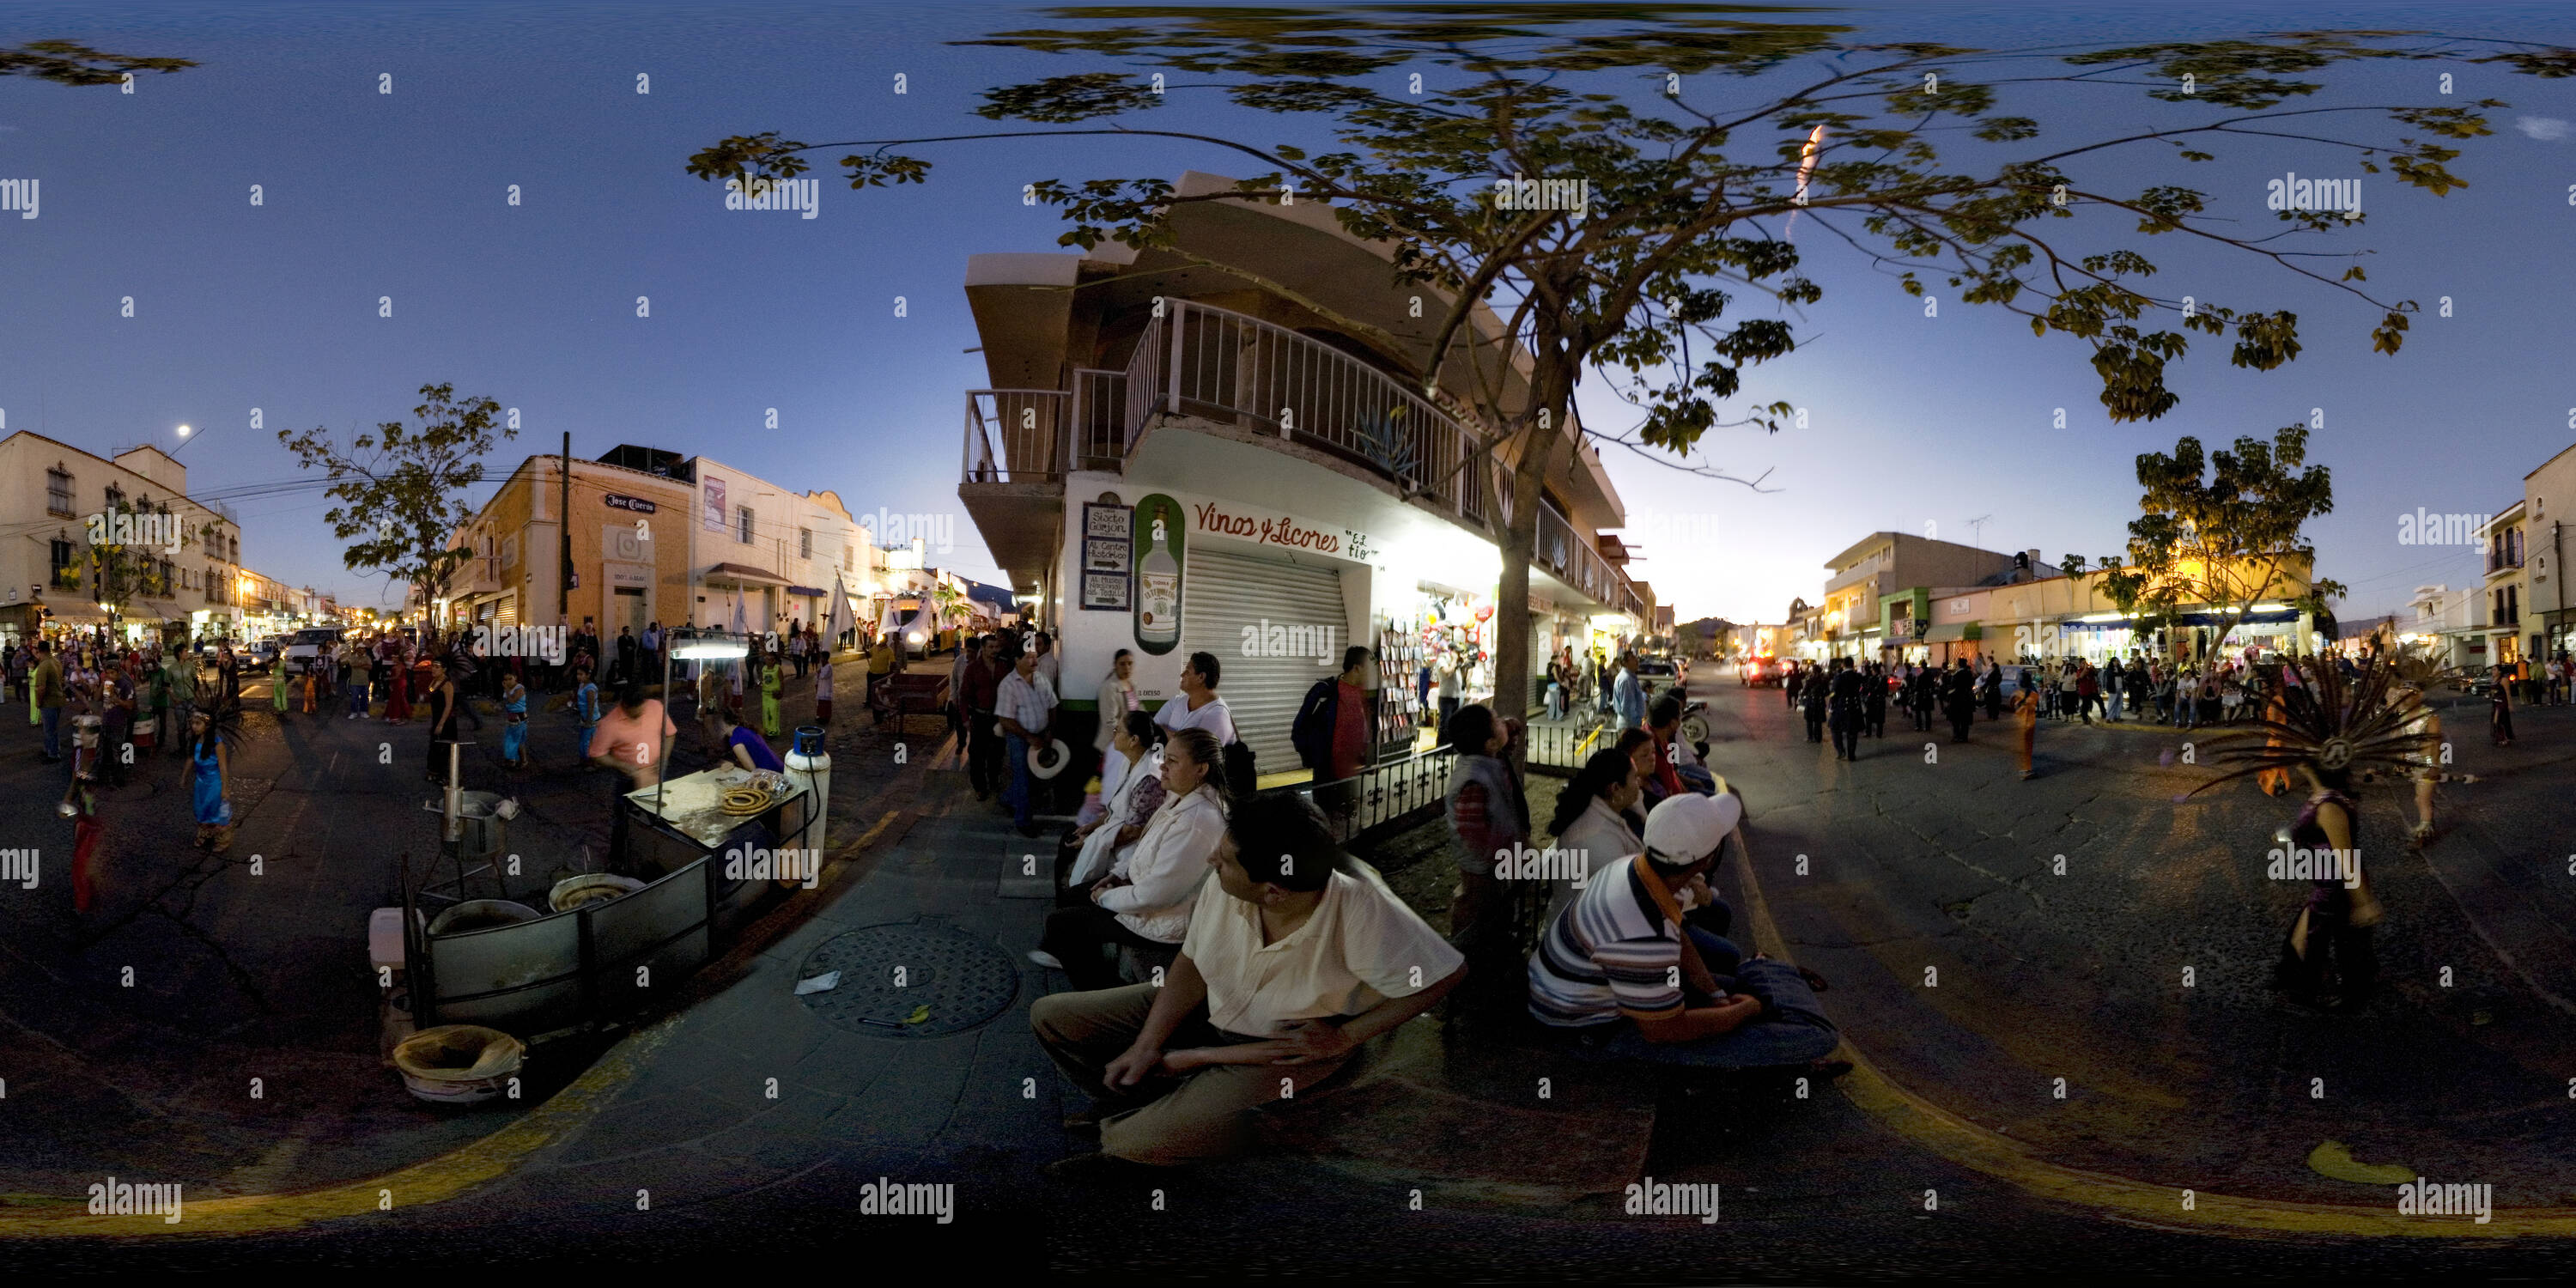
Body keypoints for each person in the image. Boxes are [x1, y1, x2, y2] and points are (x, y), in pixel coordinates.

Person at [1030, 792, 1466, 1171]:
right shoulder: (1231, 882)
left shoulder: (1361, 910)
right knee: (1051, 1017)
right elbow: (1192, 963)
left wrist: (1345, 1037)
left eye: (1223, 861)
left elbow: (1444, 974)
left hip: (1279, 1048)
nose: (1210, 861)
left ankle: (1140, 1126)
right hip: (1212, 1001)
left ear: (1273, 891)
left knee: (1133, 1144)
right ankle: (1131, 1103)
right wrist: (1147, 1044)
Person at [1527, 792, 1843, 1075]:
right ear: (1706, 859)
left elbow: (1679, 937)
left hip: (1595, 996)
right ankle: (1771, 976)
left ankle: (1768, 976)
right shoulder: (1643, 932)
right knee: (1816, 1034)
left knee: (1740, 992)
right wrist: (1746, 1009)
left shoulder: (1634, 868)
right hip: (1591, 1033)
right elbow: (1665, 1030)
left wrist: (1717, 996)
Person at [1034, 725, 1224, 989]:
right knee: (1075, 895)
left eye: (1172, 761)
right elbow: (1145, 846)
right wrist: (1117, 874)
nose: (1163, 766)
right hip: (1143, 894)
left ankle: (1099, 995)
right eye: (1164, 758)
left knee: (1061, 925)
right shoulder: (1180, 799)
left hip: (1163, 922)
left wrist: (1107, 896)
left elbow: (1157, 895)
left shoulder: (1197, 822)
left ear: (1201, 770)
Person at [1443, 702, 1528, 951]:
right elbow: (1474, 834)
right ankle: (1466, 949)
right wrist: (1502, 857)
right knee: (1480, 903)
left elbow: (1505, 729)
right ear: (1490, 743)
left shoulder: (1486, 758)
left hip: (1493, 859)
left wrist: (1507, 725)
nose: (1503, 721)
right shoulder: (1473, 781)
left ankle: (1493, 941)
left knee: (1495, 901)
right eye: (1497, 720)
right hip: (1483, 864)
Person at [1063, 710, 1170, 896]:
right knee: (1067, 840)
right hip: (1115, 833)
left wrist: (1091, 840)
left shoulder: (1149, 779)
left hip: (1128, 849)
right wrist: (1093, 826)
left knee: (1073, 876)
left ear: (1133, 740)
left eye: (1118, 730)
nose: (1114, 734)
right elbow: (1116, 806)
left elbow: (1134, 831)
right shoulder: (1129, 762)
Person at [1545, 746, 1646, 926]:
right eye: (1635, 778)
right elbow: (1629, 896)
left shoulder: (1603, 810)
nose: (1640, 784)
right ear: (1615, 788)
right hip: (1584, 935)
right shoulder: (1596, 840)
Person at [1291, 645, 1376, 820]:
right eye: (1368, 668)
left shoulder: (1364, 694)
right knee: (1325, 817)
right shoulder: (1326, 691)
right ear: (1357, 667)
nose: (1371, 673)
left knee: (1347, 821)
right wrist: (1311, 755)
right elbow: (1299, 726)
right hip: (1327, 771)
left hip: (1351, 771)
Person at [997, 647, 1060, 837]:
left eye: (1035, 657)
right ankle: (1023, 822)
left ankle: (1007, 798)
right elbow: (1005, 719)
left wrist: (1049, 730)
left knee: (1032, 778)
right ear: (1017, 660)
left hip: (1041, 735)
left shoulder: (1041, 679)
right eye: (1028, 657)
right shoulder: (1008, 685)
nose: (1034, 661)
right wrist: (1028, 736)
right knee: (1023, 778)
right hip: (1019, 739)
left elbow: (1052, 705)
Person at [588, 681, 677, 791]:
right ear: (624, 705)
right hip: (627, 777)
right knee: (626, 805)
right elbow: (597, 754)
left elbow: (670, 734)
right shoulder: (609, 724)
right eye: (633, 715)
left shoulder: (656, 707)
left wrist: (664, 757)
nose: (637, 717)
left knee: (657, 803)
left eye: (640, 712)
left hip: (656, 771)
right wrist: (620, 765)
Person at [182, 705, 236, 852]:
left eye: (198, 723)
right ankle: (205, 834)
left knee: (216, 811)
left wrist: (225, 788)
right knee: (201, 809)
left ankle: (223, 839)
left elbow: (223, 767)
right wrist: (184, 777)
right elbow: (191, 758)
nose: (194, 726)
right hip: (201, 783)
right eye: (192, 723)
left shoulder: (217, 744)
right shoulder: (195, 740)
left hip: (214, 783)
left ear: (208, 725)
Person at [962, 635, 1007, 800]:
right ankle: (980, 786)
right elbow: (964, 695)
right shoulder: (973, 669)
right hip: (980, 717)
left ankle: (994, 780)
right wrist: (965, 718)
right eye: (991, 647)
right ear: (984, 648)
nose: (995, 650)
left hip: (999, 718)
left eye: (997, 647)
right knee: (977, 753)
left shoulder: (1003, 667)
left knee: (997, 751)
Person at [1095, 649, 1139, 757]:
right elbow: (1109, 722)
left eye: (1130, 664)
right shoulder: (1109, 688)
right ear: (1115, 665)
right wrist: (1130, 736)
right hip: (1112, 745)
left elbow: (1137, 710)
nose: (1127, 667)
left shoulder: (1132, 684)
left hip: (1128, 744)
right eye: (1122, 664)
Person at [423, 660, 460, 786]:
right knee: (434, 746)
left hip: (446, 720)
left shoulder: (447, 684)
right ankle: (434, 772)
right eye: (433, 666)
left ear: (444, 669)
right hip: (436, 717)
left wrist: (441, 724)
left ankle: (446, 775)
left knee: (444, 748)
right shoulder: (434, 681)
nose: (433, 669)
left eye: (437, 667)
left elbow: (449, 706)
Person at [717, 705, 784, 773]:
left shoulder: (735, 739)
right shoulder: (743, 729)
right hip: (780, 769)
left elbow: (752, 769)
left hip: (772, 774)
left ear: (724, 725)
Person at [571, 661, 602, 766]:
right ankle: (583, 761)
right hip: (584, 717)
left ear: (588, 675)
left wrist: (589, 720)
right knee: (583, 741)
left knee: (589, 742)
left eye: (581, 674)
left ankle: (592, 763)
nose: (578, 677)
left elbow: (591, 705)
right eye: (577, 674)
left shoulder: (590, 688)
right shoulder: (582, 685)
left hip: (592, 719)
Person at [498, 671, 529, 769]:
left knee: (517, 741)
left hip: (519, 718)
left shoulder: (519, 688)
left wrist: (506, 689)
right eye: (506, 679)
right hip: (511, 717)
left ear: (515, 677)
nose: (508, 681)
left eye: (510, 679)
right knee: (511, 740)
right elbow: (506, 702)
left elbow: (512, 701)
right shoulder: (509, 689)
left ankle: (522, 761)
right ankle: (514, 760)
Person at [2014, 677, 2040, 781]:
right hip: (2029, 723)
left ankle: (2023, 768)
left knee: (2022, 747)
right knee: (2028, 748)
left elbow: (2015, 707)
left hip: (2020, 723)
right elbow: (2035, 707)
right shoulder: (2034, 695)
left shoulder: (2017, 694)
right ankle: (2026, 770)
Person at [1613, 652, 1646, 731]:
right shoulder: (1626, 679)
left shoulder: (1629, 677)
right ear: (1625, 663)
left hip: (1630, 725)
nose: (1637, 661)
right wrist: (1637, 722)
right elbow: (1627, 708)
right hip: (1630, 726)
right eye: (1633, 659)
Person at [2491, 663, 2517, 745]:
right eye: (2492, 670)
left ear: (2499, 671)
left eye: (2495, 669)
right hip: (2495, 703)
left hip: (2502, 703)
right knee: (2497, 721)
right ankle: (2500, 738)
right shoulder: (2493, 679)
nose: (2493, 671)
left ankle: (2504, 738)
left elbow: (2508, 692)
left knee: (2499, 720)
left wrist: (2510, 705)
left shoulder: (2503, 680)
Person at [811, 644, 835, 726]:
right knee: (821, 704)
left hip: (826, 689)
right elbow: (818, 676)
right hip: (822, 689)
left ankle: (826, 718)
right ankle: (821, 716)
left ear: (825, 658)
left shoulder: (829, 667)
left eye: (821, 658)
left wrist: (819, 673)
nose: (820, 659)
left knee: (826, 704)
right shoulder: (823, 666)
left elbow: (823, 676)